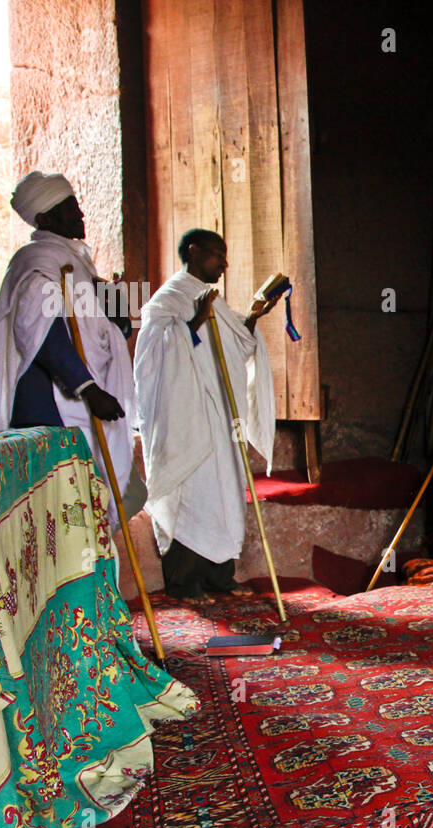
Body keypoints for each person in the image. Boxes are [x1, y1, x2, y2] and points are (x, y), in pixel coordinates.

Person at [0, 171, 139, 527]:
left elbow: (100, 329)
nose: (80, 214)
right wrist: (88, 388)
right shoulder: (38, 261)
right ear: (44, 219)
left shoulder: (74, 262)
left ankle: (96, 578)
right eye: (69, 208)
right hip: (52, 406)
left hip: (87, 399)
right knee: (67, 512)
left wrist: (116, 310)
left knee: (103, 501)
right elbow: (39, 330)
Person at [133, 229, 280, 603]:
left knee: (224, 493)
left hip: (220, 418)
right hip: (188, 420)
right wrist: (195, 322)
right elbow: (154, 358)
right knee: (193, 494)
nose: (225, 263)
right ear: (194, 252)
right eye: (218, 254)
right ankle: (185, 583)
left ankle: (219, 576)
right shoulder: (167, 300)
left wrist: (252, 317)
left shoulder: (214, 299)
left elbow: (231, 349)